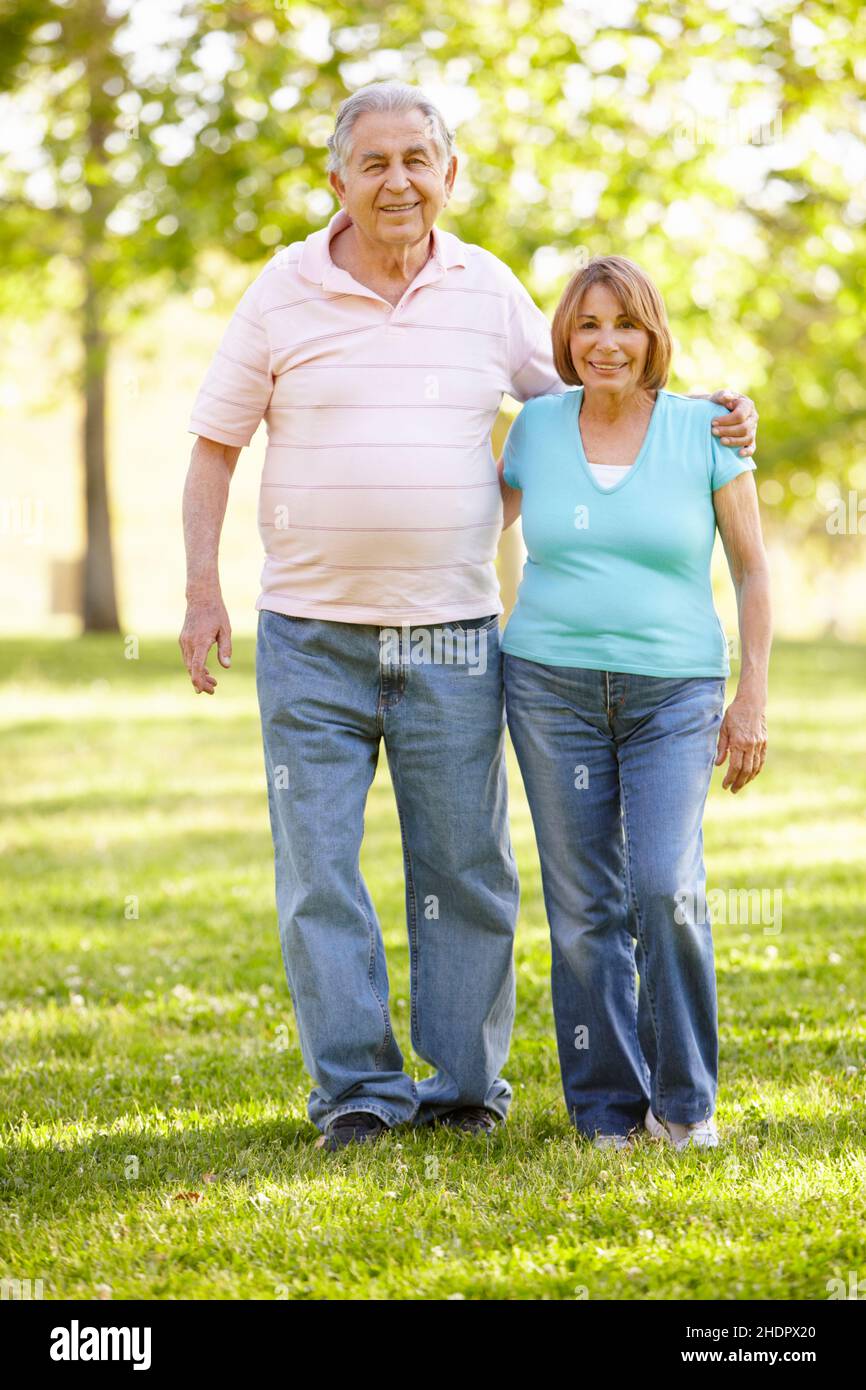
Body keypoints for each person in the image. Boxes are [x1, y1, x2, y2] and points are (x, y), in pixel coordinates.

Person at [179, 83, 759, 1152]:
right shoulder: (280, 291)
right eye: (372, 162)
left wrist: (714, 414)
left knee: (464, 870)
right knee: (318, 867)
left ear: (448, 173)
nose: (395, 180)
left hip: (454, 633)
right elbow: (215, 442)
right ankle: (356, 1089)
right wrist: (202, 592)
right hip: (310, 632)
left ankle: (460, 1089)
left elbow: (595, 398)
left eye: (416, 159)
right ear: (336, 180)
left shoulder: (484, 288)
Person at [499, 255, 771, 1152]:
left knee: (664, 886)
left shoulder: (705, 430)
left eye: (625, 325)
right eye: (587, 326)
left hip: (674, 692)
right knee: (582, 908)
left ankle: (685, 1104)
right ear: (566, 341)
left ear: (653, 336)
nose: (606, 343)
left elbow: (752, 568)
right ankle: (607, 1110)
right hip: (547, 685)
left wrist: (751, 696)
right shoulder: (536, 428)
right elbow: (466, 524)